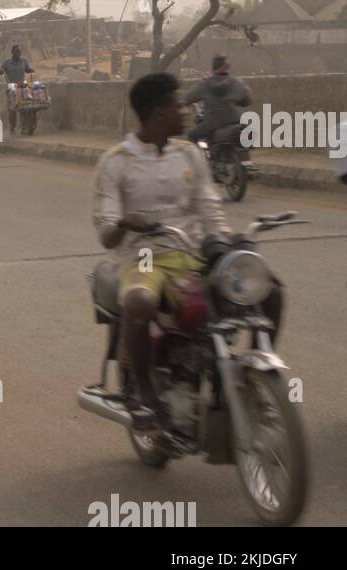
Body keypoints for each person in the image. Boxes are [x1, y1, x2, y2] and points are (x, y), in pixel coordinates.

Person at [93, 72, 283, 432]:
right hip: (143, 259)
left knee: (269, 289)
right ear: (156, 112)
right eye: (180, 105)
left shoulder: (190, 153)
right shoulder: (116, 162)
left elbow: (209, 207)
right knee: (137, 302)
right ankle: (144, 394)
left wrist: (223, 241)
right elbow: (106, 230)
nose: (187, 111)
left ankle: (261, 369)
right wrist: (124, 224)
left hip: (191, 254)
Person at [184, 55, 251, 145]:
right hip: (235, 121)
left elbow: (187, 99)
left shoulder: (204, 84)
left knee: (192, 135)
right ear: (227, 67)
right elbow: (247, 101)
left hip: (212, 124)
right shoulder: (236, 82)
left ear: (213, 67)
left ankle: (198, 158)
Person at [0, 44, 35, 137]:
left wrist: (30, 70)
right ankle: (12, 128)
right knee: (12, 109)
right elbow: (1, 69)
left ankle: (23, 127)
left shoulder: (24, 61)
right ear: (12, 52)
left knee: (23, 108)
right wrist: (1, 70)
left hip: (22, 88)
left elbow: (27, 69)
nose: (18, 53)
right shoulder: (7, 62)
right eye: (16, 52)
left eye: (19, 52)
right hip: (11, 88)